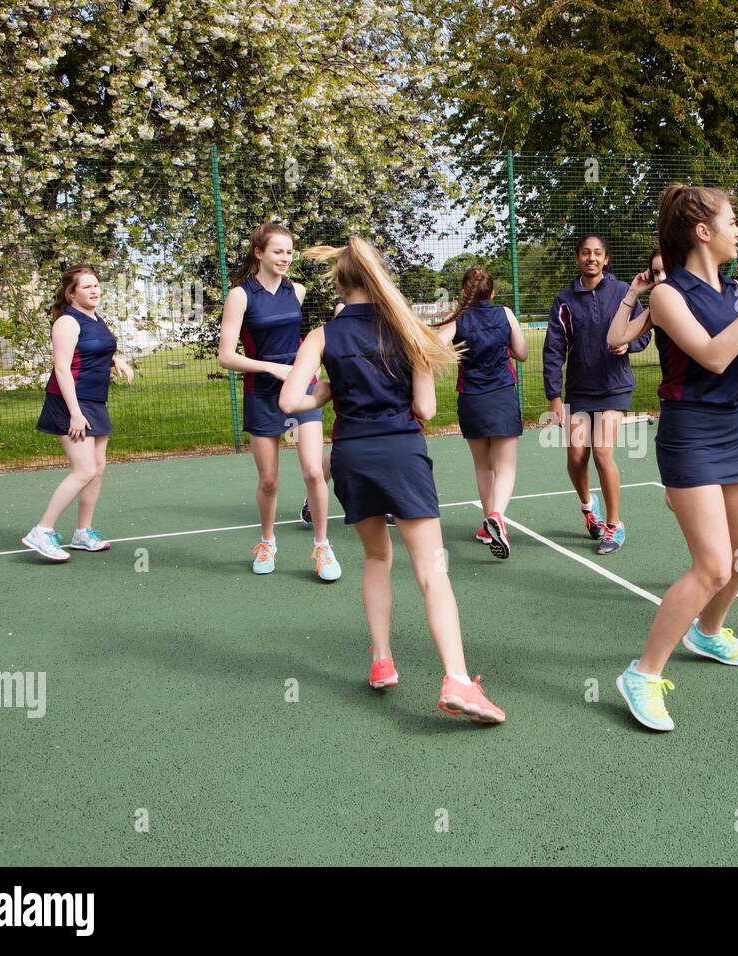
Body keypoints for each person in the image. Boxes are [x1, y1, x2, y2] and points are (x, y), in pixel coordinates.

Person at [281, 237, 506, 724]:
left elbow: (288, 402)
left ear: (340, 284)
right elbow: (424, 409)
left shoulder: (323, 335)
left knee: (376, 557)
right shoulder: (407, 330)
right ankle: (458, 680)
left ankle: (382, 661)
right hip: (401, 451)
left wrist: (329, 390)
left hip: (352, 455)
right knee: (432, 569)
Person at [615, 185, 738, 731]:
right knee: (713, 564)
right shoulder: (669, 297)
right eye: (732, 221)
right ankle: (642, 674)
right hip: (690, 433)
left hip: (735, 429)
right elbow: (715, 357)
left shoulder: (737, 290)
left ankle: (708, 632)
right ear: (702, 231)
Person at [219, 222, 338, 581]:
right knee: (269, 480)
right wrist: (272, 368)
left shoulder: (297, 291)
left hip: (302, 389)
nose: (285, 257)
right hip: (262, 393)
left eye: (289, 251)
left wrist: (301, 369)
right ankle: (267, 542)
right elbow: (226, 356)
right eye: (277, 251)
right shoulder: (240, 295)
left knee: (315, 471)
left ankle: (322, 546)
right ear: (259, 252)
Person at [543, 234, 652, 554]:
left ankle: (615, 525)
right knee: (576, 458)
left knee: (603, 452)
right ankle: (590, 508)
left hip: (614, 387)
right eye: (585, 253)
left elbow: (644, 333)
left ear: (606, 260)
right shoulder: (564, 300)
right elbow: (553, 350)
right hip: (579, 389)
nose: (591, 258)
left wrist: (627, 343)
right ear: (578, 258)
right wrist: (554, 396)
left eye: (598, 253)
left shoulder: (623, 293)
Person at [23, 265, 134, 561]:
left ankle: (83, 533)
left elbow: (95, 350)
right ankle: (42, 531)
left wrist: (116, 361)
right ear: (71, 292)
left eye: (96, 285)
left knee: (97, 470)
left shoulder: (95, 318)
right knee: (83, 470)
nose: (94, 290)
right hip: (70, 401)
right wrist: (74, 413)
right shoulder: (67, 323)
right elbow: (62, 368)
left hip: (95, 400)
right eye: (86, 286)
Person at [433, 268, 527, 559]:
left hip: (472, 399)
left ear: (465, 292)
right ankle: (497, 517)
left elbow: (435, 347)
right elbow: (521, 352)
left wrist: (456, 352)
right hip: (502, 395)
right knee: (506, 467)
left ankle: (489, 525)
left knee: (483, 466)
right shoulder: (505, 314)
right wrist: (506, 348)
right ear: (493, 292)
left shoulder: (457, 319)